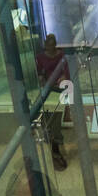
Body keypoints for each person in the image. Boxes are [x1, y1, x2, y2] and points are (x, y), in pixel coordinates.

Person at [34, 34, 69, 171]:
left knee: (58, 115)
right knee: (51, 118)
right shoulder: (40, 58)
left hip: (61, 88)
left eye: (53, 43)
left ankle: (56, 141)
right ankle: (55, 144)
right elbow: (37, 73)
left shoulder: (62, 56)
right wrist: (42, 79)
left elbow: (67, 71)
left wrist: (64, 77)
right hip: (48, 91)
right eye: (48, 44)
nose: (51, 46)